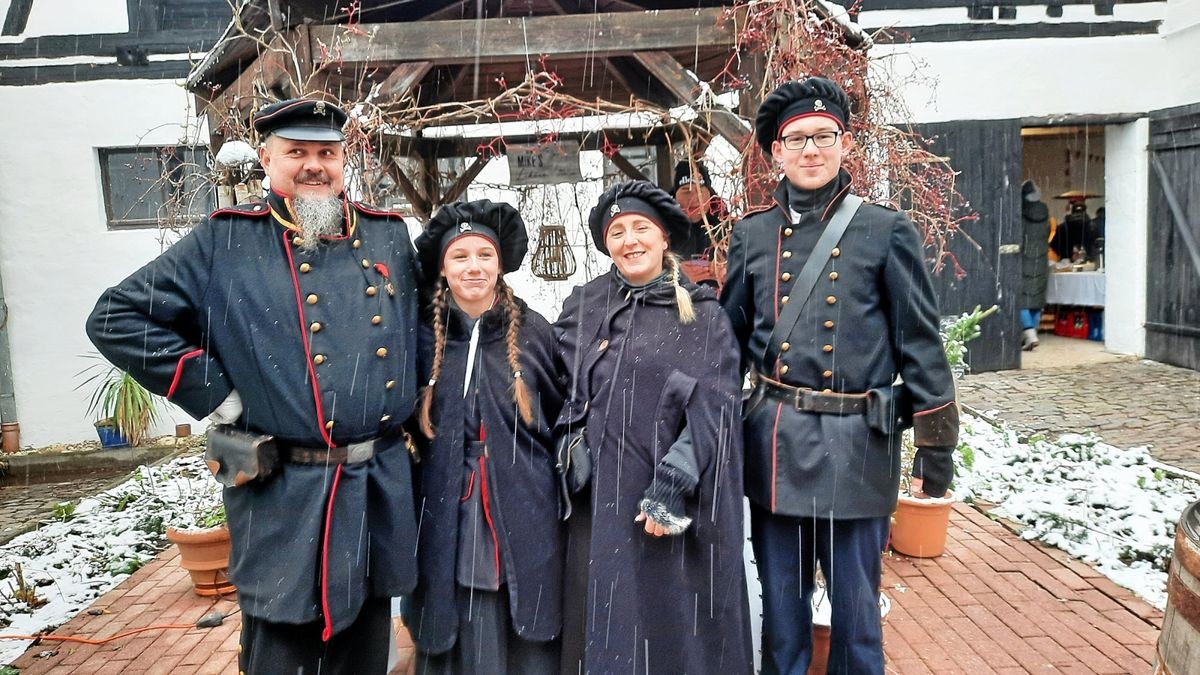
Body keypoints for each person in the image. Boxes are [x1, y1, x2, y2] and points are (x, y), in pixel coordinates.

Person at [86, 98, 420, 674]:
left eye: (327, 153)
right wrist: (212, 391)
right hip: (287, 495)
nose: (314, 165)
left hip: (376, 485)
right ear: (267, 158)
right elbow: (115, 317)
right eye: (296, 153)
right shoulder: (226, 241)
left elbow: (421, 330)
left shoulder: (388, 235)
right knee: (283, 651)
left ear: (345, 161)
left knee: (366, 647)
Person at [720, 77, 959, 674]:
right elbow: (724, 341)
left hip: (859, 444)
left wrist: (936, 446)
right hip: (776, 446)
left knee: (857, 618)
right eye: (796, 139)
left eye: (824, 137)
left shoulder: (886, 230)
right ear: (776, 151)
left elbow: (920, 342)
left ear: (846, 144)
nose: (811, 150)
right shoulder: (751, 235)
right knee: (782, 614)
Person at [555, 180, 752, 675]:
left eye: (641, 227)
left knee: (665, 625)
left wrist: (673, 484)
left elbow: (718, 406)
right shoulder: (587, 304)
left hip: (661, 500)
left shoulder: (702, 315)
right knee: (608, 620)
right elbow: (557, 378)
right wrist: (567, 438)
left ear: (664, 238)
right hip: (598, 499)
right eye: (617, 232)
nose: (630, 240)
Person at [404, 200, 566, 674]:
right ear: (443, 267)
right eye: (460, 256)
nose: (473, 267)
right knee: (458, 611)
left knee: (525, 613)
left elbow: (561, 413)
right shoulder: (420, 338)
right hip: (444, 499)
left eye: (484, 255)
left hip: (523, 497)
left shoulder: (534, 332)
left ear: (499, 263)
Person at [669, 159, 728, 260]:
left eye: (700, 191)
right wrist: (678, 271)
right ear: (675, 196)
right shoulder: (663, 228)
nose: (694, 198)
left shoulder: (726, 227)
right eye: (686, 191)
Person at [1020, 180, 1050, 351]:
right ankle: (1033, 334)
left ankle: (1029, 334)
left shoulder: (1021, 211)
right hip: (1041, 260)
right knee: (1036, 300)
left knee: (1020, 300)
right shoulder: (1045, 211)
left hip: (1024, 259)